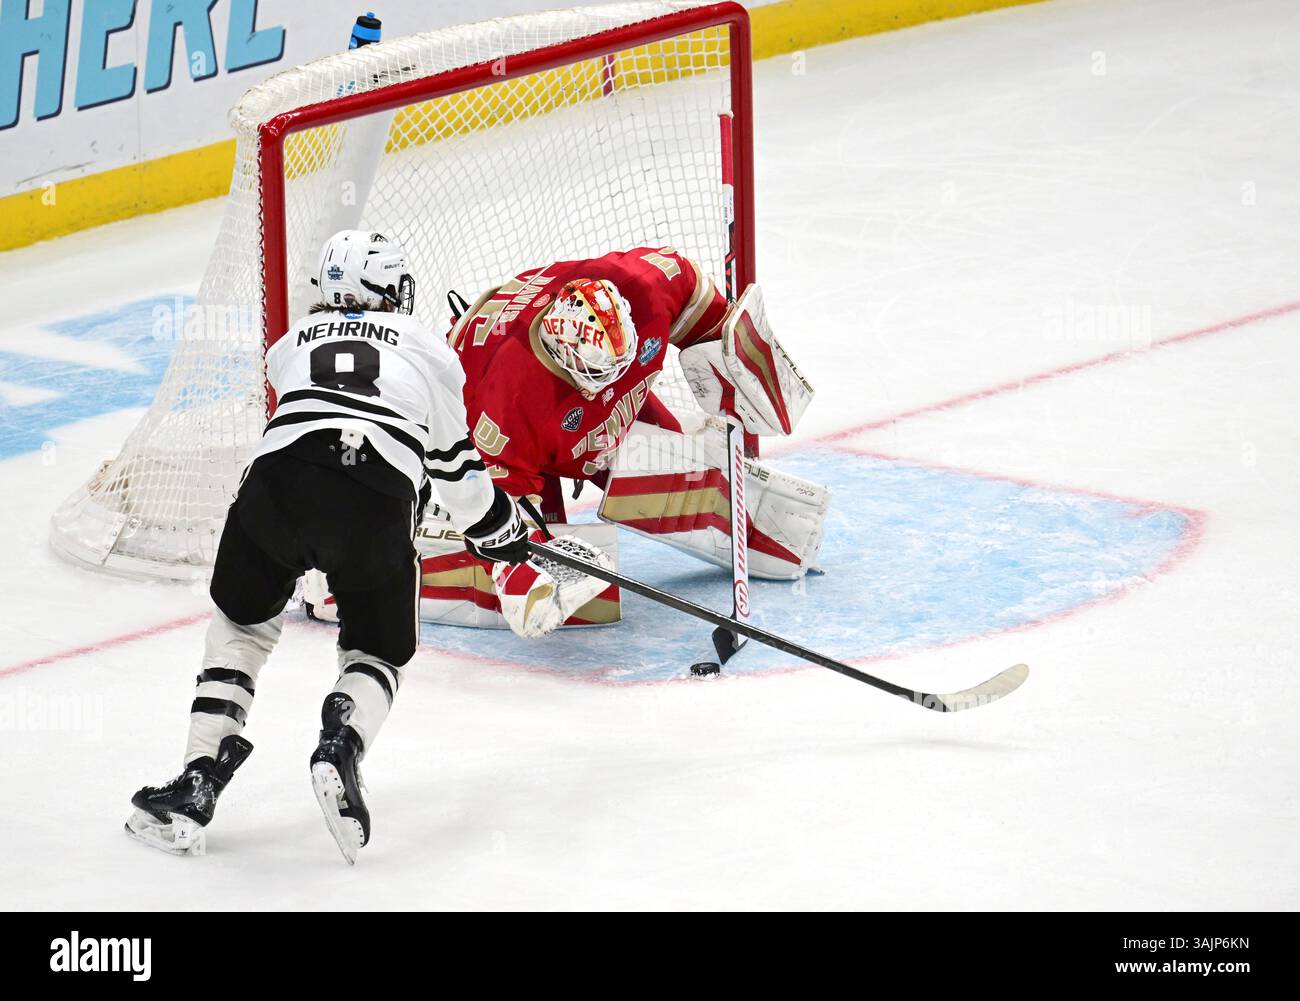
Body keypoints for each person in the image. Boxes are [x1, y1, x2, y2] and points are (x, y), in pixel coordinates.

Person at [125, 230, 532, 864]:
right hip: (372, 499)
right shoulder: (428, 350)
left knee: (241, 626)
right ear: (392, 289)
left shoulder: (288, 348)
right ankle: (341, 740)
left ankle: (199, 775)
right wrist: (500, 530)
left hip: (276, 486)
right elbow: (459, 476)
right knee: (378, 650)